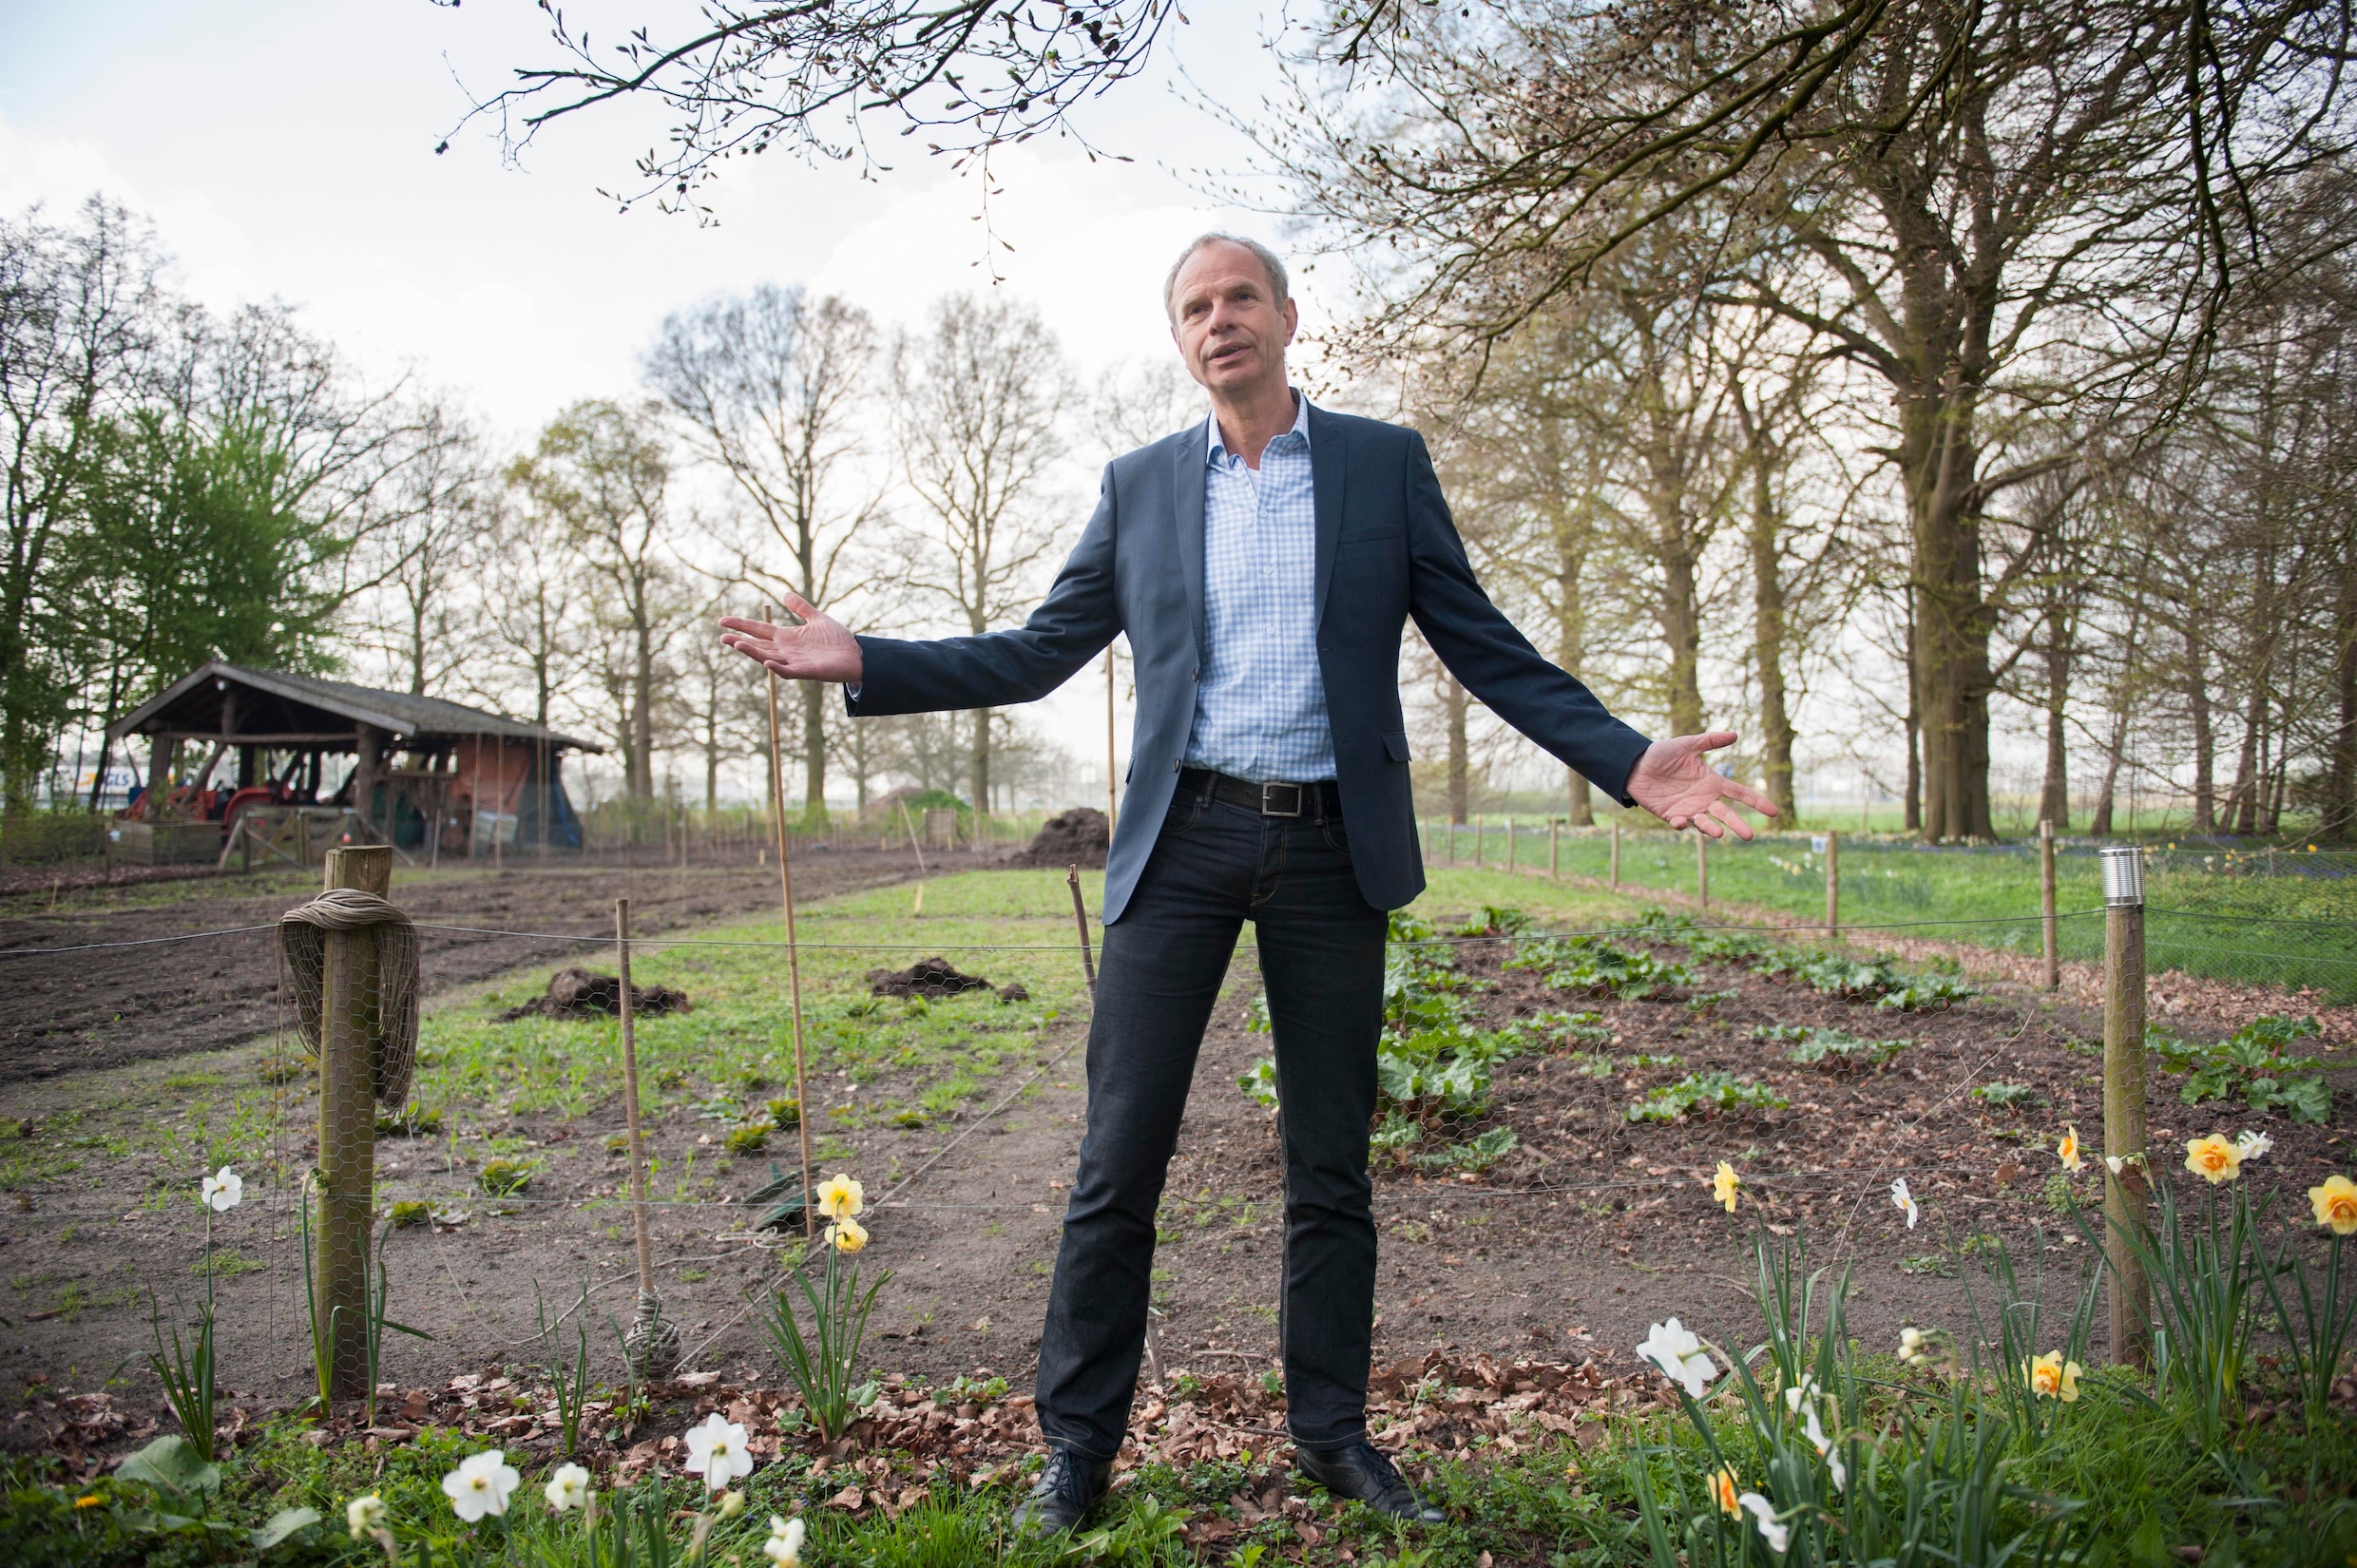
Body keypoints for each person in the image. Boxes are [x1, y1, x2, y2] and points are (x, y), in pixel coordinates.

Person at [719, 233, 1775, 1532]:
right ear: (1180, 340)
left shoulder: (1384, 467)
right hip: (1186, 841)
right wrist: (867, 655)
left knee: (1330, 1163)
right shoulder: (1144, 486)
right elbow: (1041, 650)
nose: (1219, 322)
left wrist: (1627, 760)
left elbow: (1484, 646)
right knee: (1119, 1159)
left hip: (1336, 850)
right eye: (1194, 308)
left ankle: (1332, 1434)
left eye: (1239, 299)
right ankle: (1078, 1451)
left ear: (1286, 316)